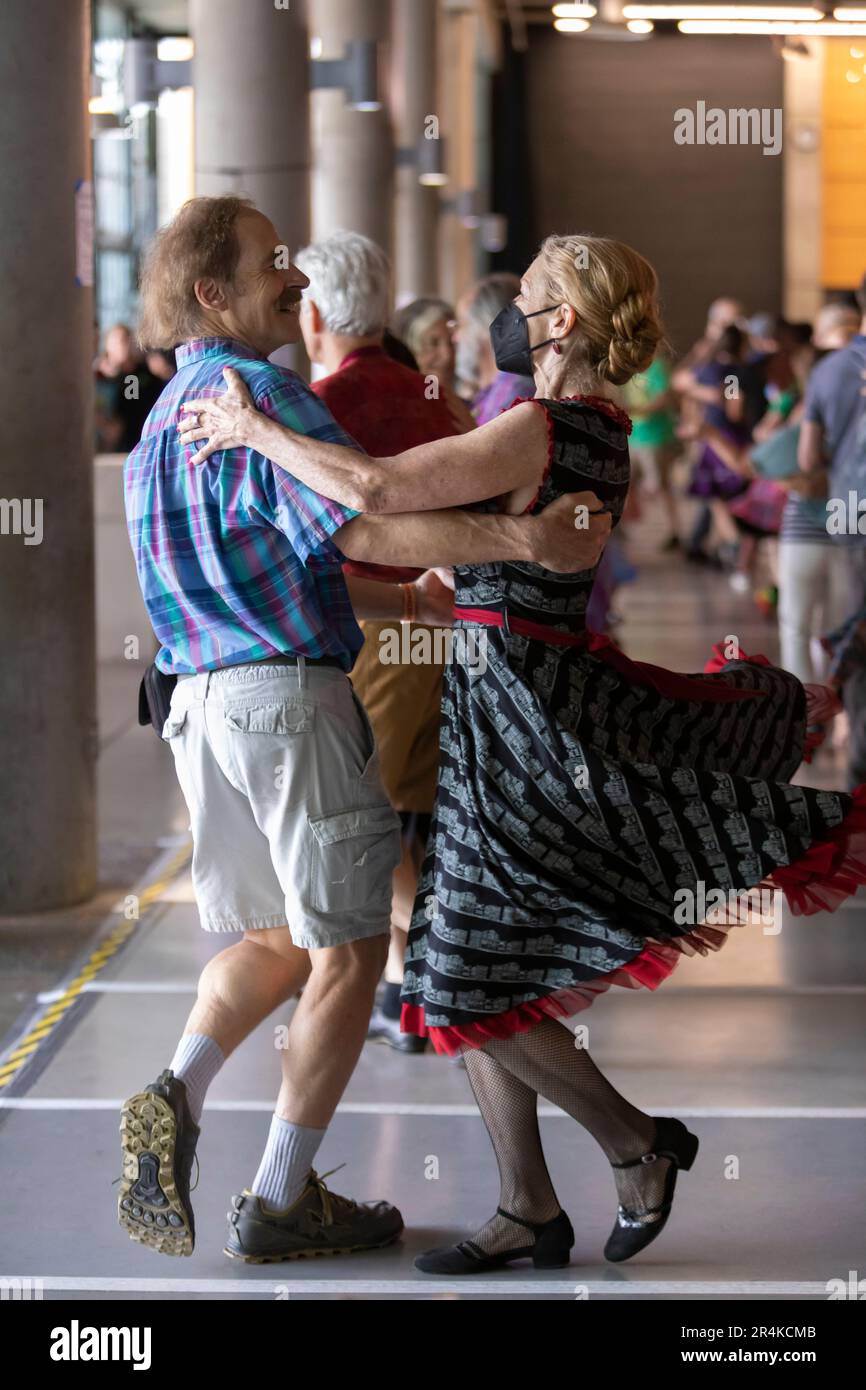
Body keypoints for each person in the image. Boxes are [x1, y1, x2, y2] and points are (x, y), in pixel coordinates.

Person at [180, 231, 866, 1276]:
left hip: (526, 719)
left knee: (456, 979)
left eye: (532, 291)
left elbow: (369, 495)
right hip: (509, 706)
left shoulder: (542, 427)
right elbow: (400, 524)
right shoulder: (583, 424)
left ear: (559, 323)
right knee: (476, 951)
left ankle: (636, 1144)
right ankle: (525, 1206)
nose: (511, 310)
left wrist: (249, 424)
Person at [119, 195, 608, 1264]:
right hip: (287, 704)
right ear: (212, 292)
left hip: (202, 710)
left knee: (273, 940)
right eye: (269, 264)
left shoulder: (162, 419)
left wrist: (408, 606)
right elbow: (367, 509)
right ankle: (280, 1195)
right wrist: (517, 538)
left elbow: (281, 561)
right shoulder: (259, 392)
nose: (293, 279)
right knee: (349, 953)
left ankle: (174, 1088)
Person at [293, 229, 463, 1052]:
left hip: (377, 628)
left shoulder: (321, 409)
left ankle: (444, 968)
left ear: (315, 310)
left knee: (362, 816)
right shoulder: (429, 393)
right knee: (404, 813)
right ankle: (407, 985)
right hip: (441, 626)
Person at [798, 272, 866, 788]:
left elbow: (807, 458)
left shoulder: (828, 372)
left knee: (858, 632)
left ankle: (857, 748)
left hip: (850, 515)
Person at [454, 271, 536, 424]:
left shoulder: (516, 394)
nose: (455, 337)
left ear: (485, 326)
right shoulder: (494, 391)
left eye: (461, 324)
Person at [391, 296, 476, 430]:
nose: (447, 356)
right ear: (408, 349)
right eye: (433, 344)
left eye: (452, 343)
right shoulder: (395, 415)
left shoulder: (475, 408)